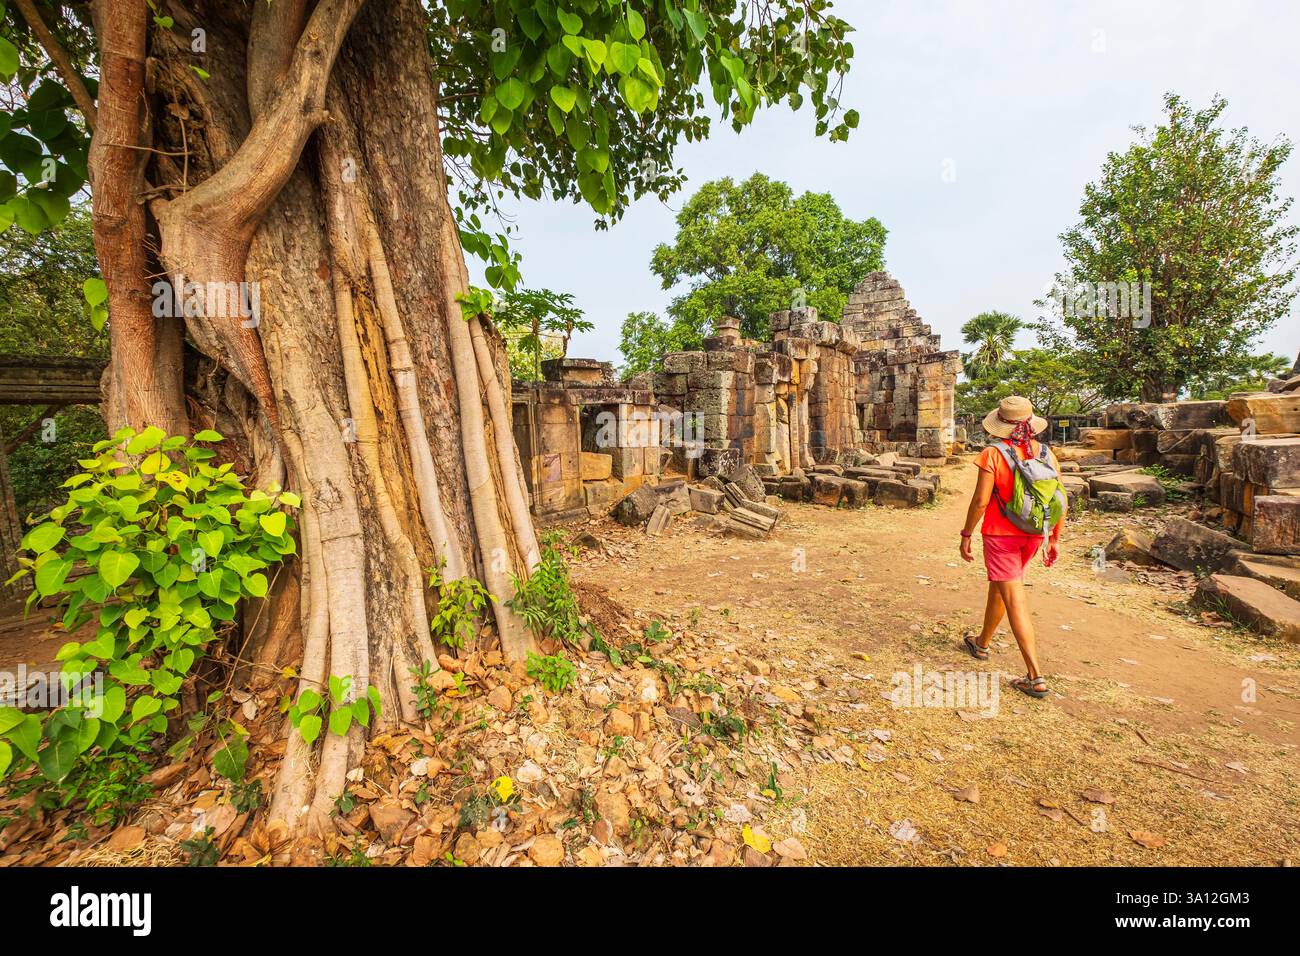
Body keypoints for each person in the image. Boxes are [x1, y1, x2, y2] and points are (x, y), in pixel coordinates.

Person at [958, 396, 1065, 699]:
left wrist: (966, 533)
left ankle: (1034, 676)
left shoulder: (993, 454)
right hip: (1032, 533)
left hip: (1001, 535)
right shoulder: (1046, 452)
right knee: (1002, 588)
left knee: (1015, 598)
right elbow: (1060, 499)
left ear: (1000, 425)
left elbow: (980, 501)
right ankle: (981, 643)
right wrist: (1054, 537)